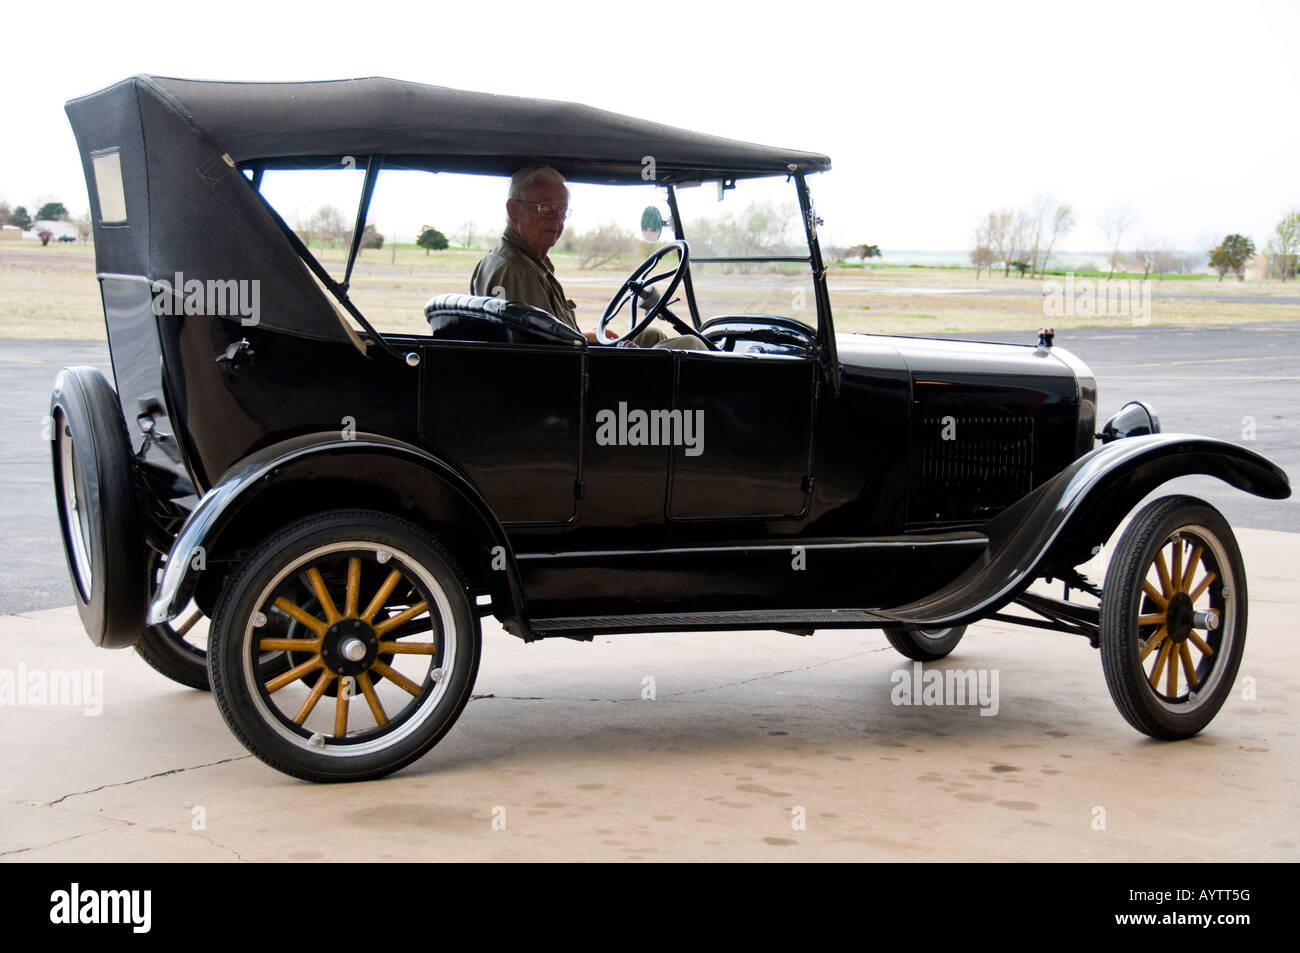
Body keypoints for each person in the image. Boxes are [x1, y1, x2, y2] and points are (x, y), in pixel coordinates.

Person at [470, 165, 705, 349]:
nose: (557, 219)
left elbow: (547, 338)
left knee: (651, 335)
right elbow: (543, 357)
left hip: (571, 362)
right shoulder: (515, 270)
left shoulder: (519, 261)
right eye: (545, 207)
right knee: (691, 344)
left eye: (562, 210)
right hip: (568, 387)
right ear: (514, 210)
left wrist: (585, 337)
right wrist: (614, 352)